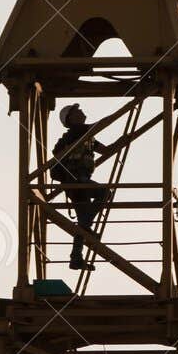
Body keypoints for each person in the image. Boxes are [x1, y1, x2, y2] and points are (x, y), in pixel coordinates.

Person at [51, 104, 106, 270]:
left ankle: (76, 258)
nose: (82, 112)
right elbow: (101, 124)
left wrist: (126, 138)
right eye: (77, 111)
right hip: (75, 181)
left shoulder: (87, 137)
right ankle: (85, 228)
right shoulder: (76, 133)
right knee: (103, 192)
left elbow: (105, 149)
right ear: (71, 118)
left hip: (78, 182)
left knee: (83, 220)